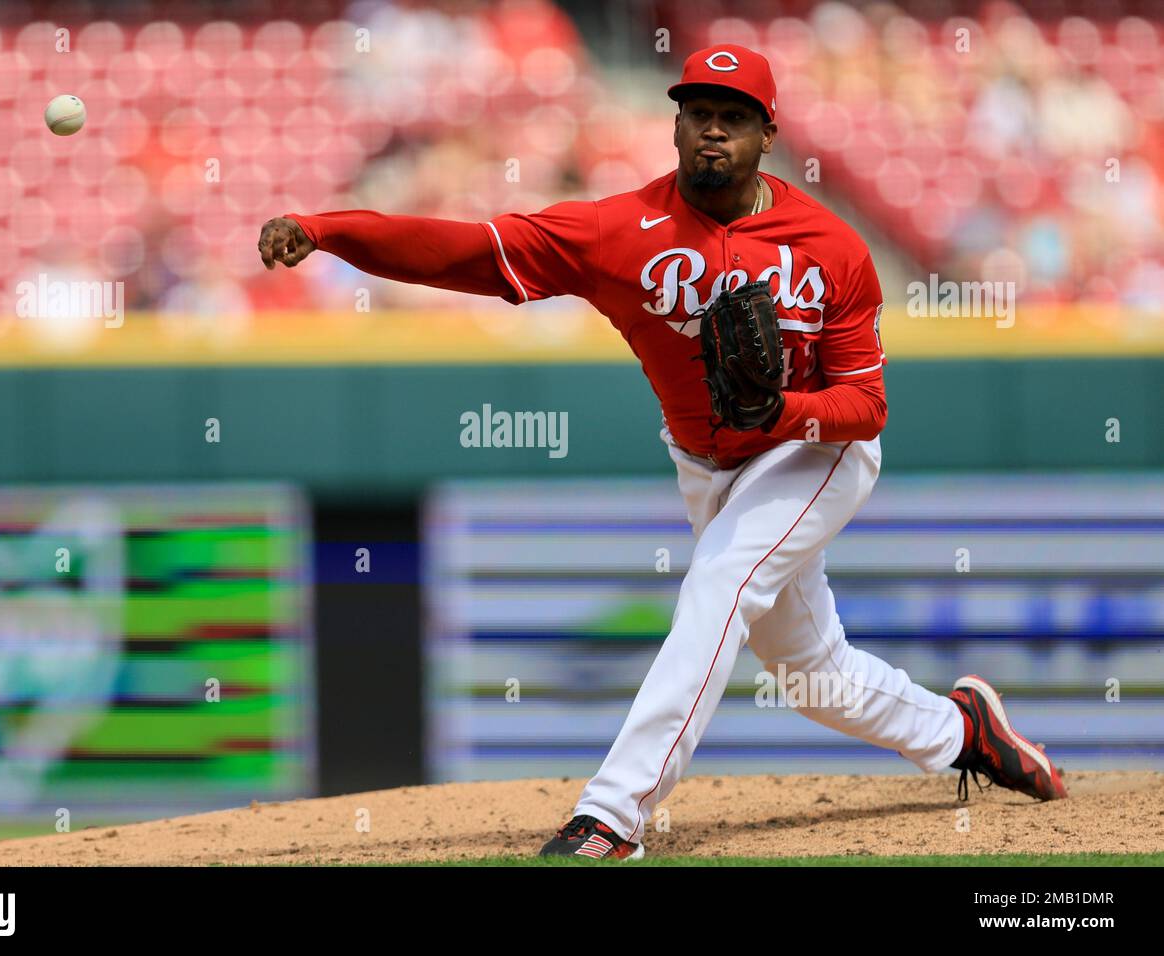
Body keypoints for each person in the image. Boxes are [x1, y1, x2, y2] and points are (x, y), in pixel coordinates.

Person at [258, 43, 1067, 861]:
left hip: (815, 449)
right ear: (675, 125)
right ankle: (962, 730)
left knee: (718, 585)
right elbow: (465, 249)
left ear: (768, 134)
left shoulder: (832, 247)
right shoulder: (615, 230)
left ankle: (612, 815)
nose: (714, 131)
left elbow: (866, 408)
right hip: (707, 465)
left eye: (735, 118)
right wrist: (328, 230)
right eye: (699, 114)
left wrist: (782, 407)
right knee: (814, 675)